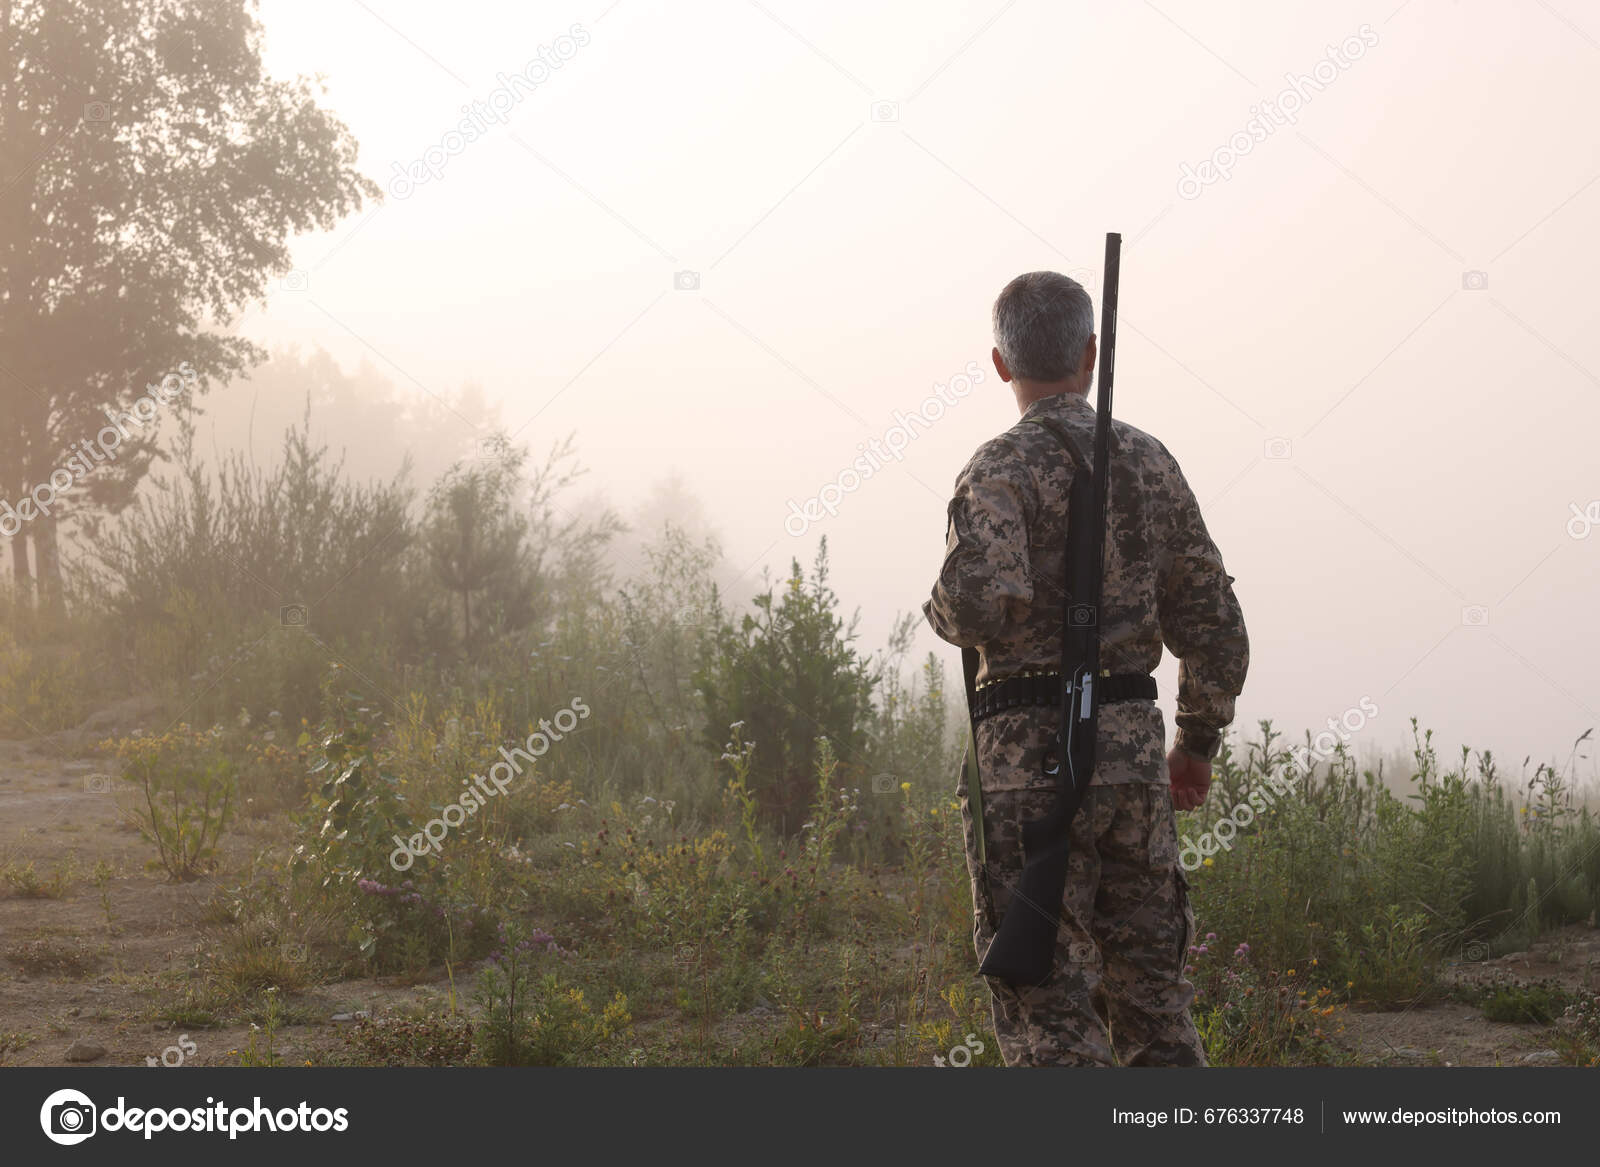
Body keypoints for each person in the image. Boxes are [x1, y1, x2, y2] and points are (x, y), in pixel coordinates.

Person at [923, 270, 1248, 1066]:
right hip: (1135, 762)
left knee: (1048, 1010)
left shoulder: (1000, 467)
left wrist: (936, 606)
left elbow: (977, 606)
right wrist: (1195, 743)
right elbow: (1215, 626)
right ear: (1091, 354)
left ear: (1001, 363)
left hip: (1025, 766)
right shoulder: (1150, 464)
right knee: (1155, 1002)